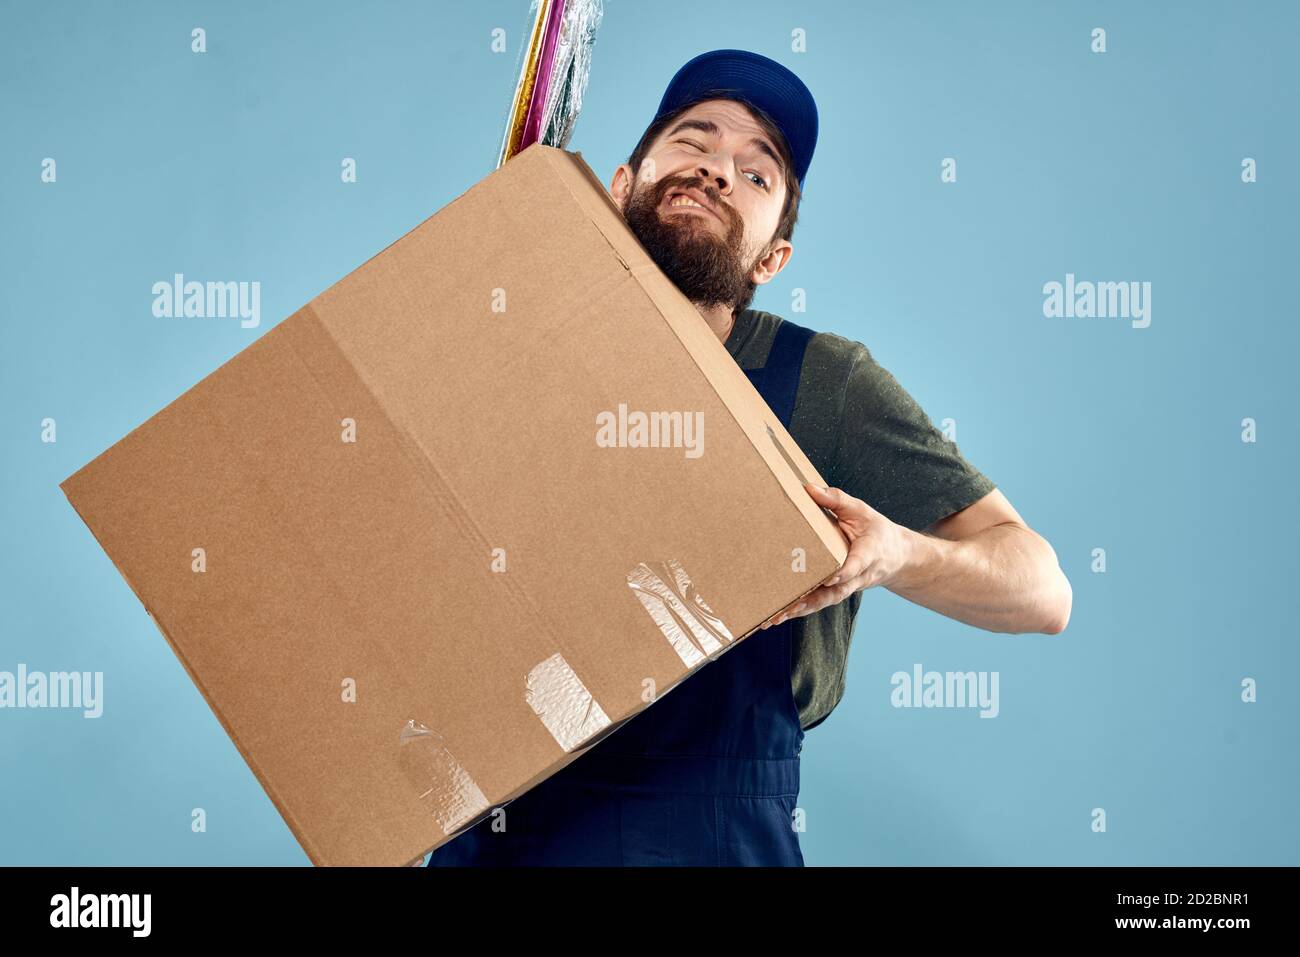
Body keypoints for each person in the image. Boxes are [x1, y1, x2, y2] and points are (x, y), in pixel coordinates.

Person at [422, 49, 1071, 867]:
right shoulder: (510, 357)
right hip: (498, 826)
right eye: (693, 139)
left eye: (757, 174)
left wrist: (894, 553)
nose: (716, 169)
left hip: (714, 834)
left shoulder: (823, 381)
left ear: (773, 260)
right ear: (619, 184)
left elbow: (1042, 588)